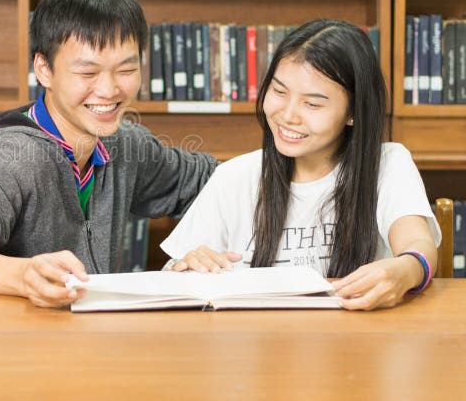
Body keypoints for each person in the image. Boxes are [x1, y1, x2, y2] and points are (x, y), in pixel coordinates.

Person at [0, 0, 218, 307]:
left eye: (126, 69)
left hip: (93, 342)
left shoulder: (125, 147)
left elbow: (215, 181)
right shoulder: (12, 157)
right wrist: (25, 275)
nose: (110, 90)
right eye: (88, 73)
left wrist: (203, 247)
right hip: (16, 346)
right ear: (44, 70)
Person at [161, 19, 441, 311]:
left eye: (313, 104)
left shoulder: (387, 164)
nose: (288, 115)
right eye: (279, 92)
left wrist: (406, 269)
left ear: (354, 112)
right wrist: (188, 268)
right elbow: (177, 278)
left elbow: (418, 243)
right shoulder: (234, 177)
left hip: (357, 344)